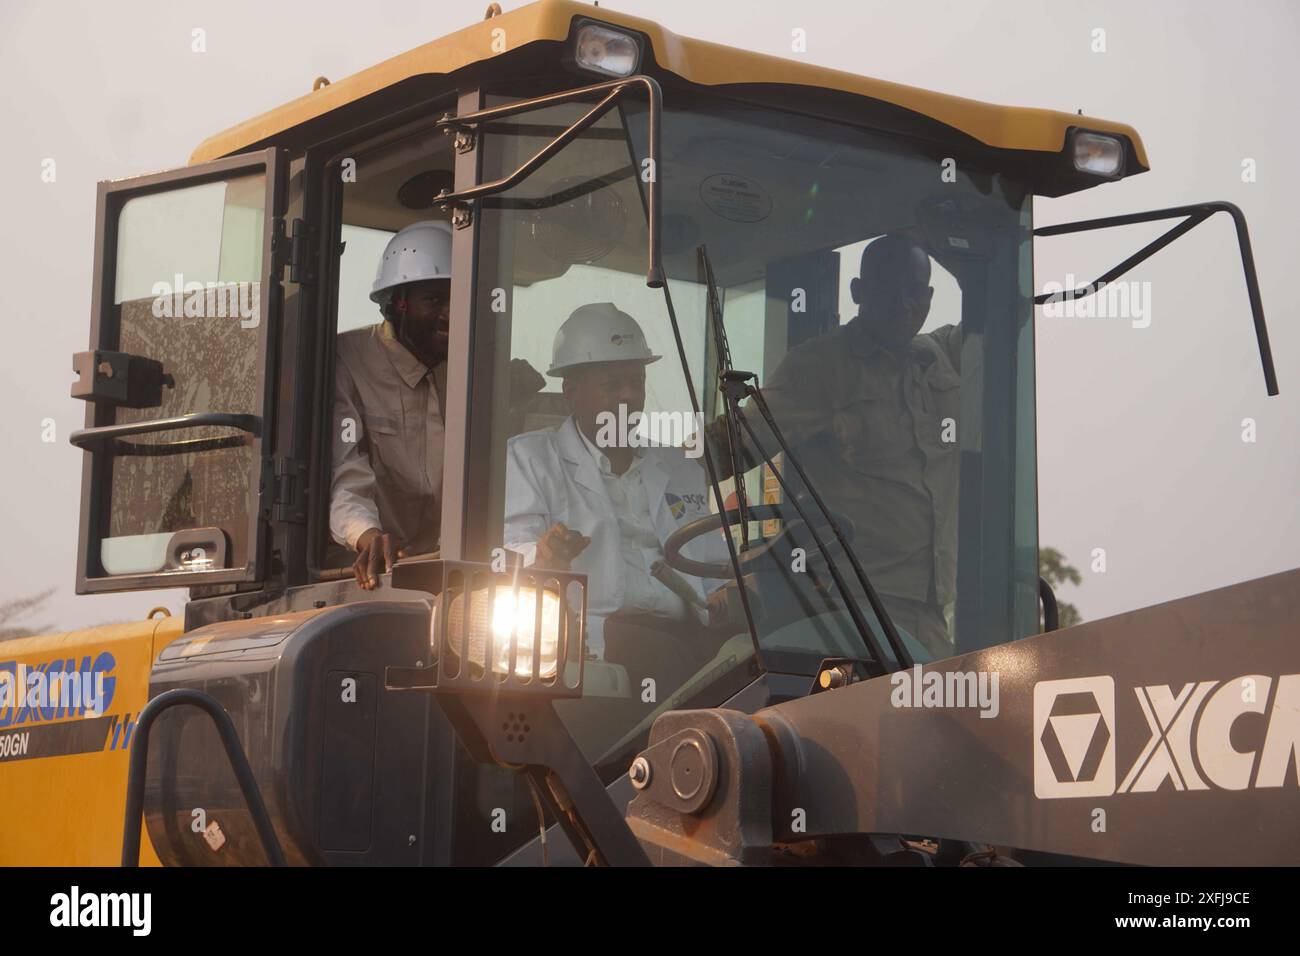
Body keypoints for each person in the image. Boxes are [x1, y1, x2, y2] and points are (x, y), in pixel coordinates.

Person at [723, 235, 960, 658]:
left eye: (916, 292)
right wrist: (644, 474)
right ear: (858, 292)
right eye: (889, 289)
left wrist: (959, 234)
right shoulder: (818, 368)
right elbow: (731, 446)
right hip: (853, 608)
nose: (905, 304)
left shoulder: (940, 356)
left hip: (931, 609)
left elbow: (1002, 320)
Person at [503, 303, 727, 667]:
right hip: (598, 642)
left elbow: (713, 566)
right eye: (612, 385)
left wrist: (732, 592)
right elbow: (510, 549)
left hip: (693, 636)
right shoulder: (529, 458)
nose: (628, 396)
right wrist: (545, 555)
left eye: (636, 383)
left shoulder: (679, 466)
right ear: (571, 392)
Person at [330, 220, 453, 589]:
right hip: (369, 575)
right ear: (397, 304)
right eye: (434, 300)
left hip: (452, 573)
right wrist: (366, 534)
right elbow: (343, 470)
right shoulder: (348, 360)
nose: (450, 313)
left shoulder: (473, 368)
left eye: (458, 298)